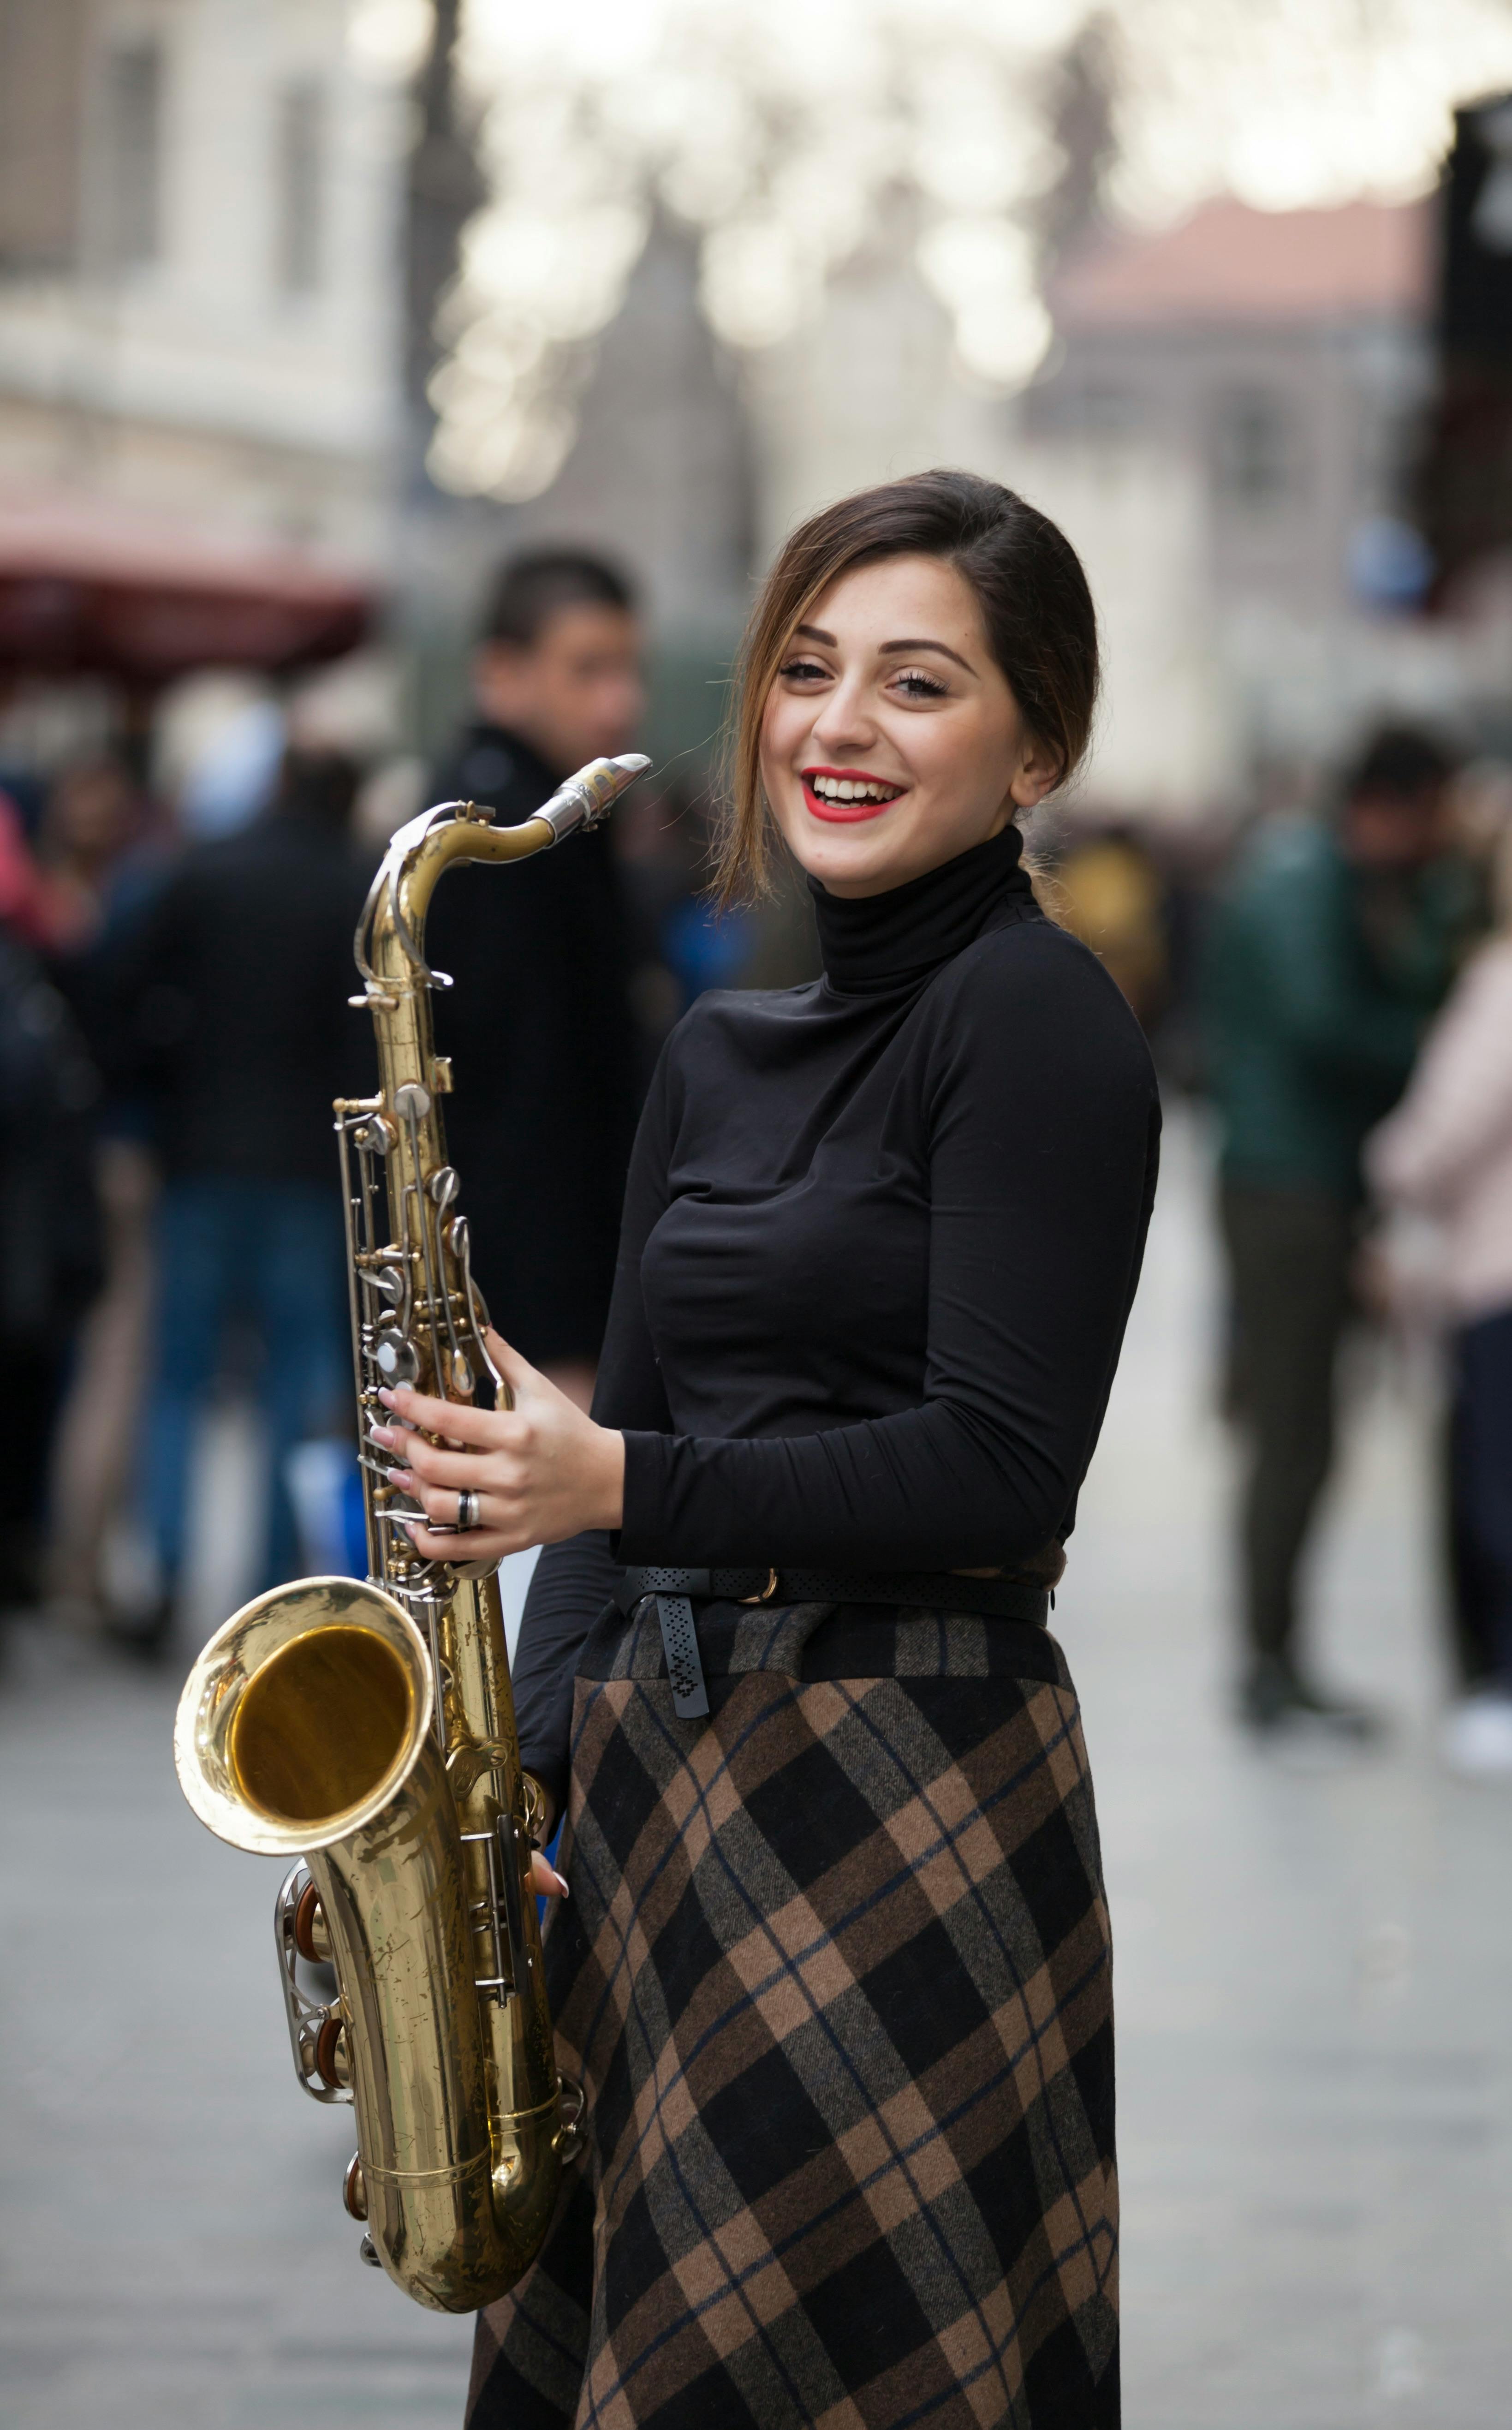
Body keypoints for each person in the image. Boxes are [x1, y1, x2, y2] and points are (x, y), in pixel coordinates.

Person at [372, 472, 1159, 2426]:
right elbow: (616, 1423)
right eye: (806, 672)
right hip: (656, 1818)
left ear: (1035, 742)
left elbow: (997, 1473)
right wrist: (515, 1790)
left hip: (906, 1799)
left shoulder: (1039, 1021)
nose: (837, 726)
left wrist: (613, 1482)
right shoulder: (719, 1052)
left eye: (916, 684)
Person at [1203, 726, 1476, 1734]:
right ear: (1396, 803)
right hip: (1289, 1190)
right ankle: (1269, 1667)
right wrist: (1444, 1045)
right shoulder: (1301, 880)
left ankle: (1281, 1659)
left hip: (1303, 1184)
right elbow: (1325, 1026)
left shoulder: (1318, 872)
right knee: (1292, 1435)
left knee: (1304, 1434)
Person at [111, 748, 374, 1647]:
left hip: (201, 1157)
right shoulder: (353, 885)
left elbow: (127, 989)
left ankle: (164, 1569)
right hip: (307, 1170)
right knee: (293, 1384)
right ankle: (268, 1591)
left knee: (178, 1376)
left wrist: (157, 1098)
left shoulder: (204, 871)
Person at [427, 549, 645, 1411]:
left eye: (628, 669)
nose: (620, 702)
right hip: (527, 1324)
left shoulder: (543, 818)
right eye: (588, 670)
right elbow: (530, 1110)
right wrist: (556, 1340)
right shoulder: (499, 838)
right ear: (500, 673)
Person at [1367, 819, 1512, 1774]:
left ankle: (1500, 1684)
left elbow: (1450, 1123)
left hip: (1498, 1275)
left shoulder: (1502, 981)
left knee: (1493, 1489)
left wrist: (1389, 1169)